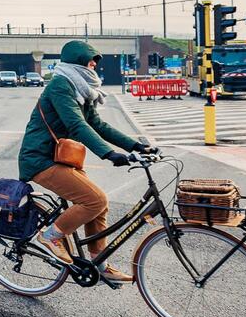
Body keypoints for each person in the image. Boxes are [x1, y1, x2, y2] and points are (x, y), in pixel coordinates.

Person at [17, 40, 155, 282]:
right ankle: (49, 237)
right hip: (39, 159)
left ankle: (99, 263)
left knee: (100, 204)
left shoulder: (82, 88)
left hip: (60, 158)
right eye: (91, 61)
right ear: (78, 61)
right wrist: (108, 154)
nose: (94, 65)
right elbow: (76, 125)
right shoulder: (60, 85)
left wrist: (136, 146)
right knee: (95, 200)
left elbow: (97, 125)